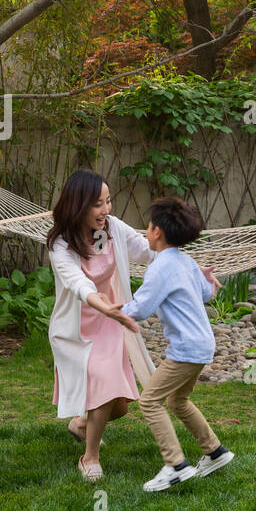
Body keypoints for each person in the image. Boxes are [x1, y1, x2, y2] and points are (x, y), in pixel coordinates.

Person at [116, 197, 235, 492]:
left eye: (148, 225)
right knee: (178, 401)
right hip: (202, 345)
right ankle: (215, 451)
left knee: (149, 401)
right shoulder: (185, 261)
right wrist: (206, 278)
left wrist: (115, 310)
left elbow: (142, 308)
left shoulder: (161, 267)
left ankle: (175, 465)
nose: (146, 230)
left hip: (185, 349)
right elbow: (206, 295)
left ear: (157, 232)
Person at [46, 170, 154, 482]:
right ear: (79, 205)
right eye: (97, 204)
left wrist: (188, 264)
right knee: (105, 389)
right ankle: (89, 457)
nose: (105, 210)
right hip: (78, 326)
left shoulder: (113, 229)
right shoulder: (61, 245)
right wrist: (105, 306)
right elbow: (79, 285)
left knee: (118, 407)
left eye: (108, 201)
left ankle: (80, 426)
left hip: (110, 320)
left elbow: (148, 250)